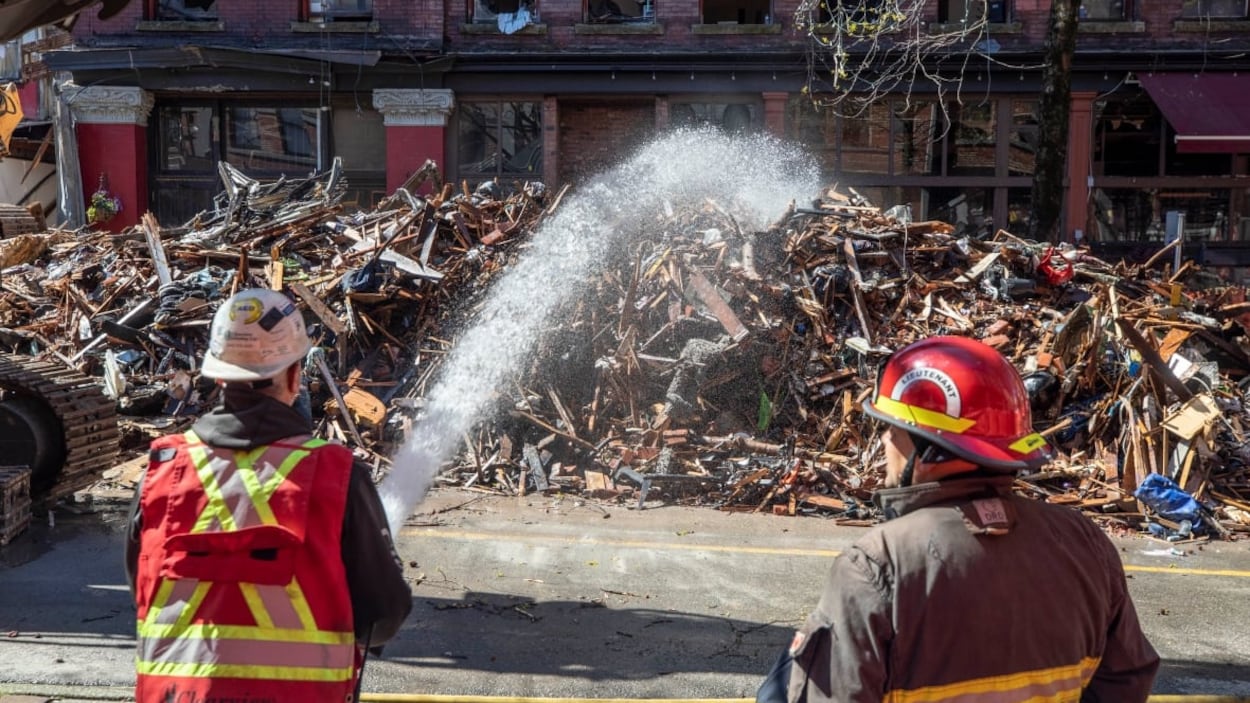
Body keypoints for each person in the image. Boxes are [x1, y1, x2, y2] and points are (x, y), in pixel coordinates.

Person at [780, 336, 1159, 703]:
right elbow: (1126, 679)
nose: (884, 443)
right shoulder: (1084, 543)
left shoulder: (877, 564)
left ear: (929, 446)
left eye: (892, 428)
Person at [125, 288, 412, 703]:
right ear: (295, 375)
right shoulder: (335, 474)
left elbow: (143, 585)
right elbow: (384, 611)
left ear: (219, 376)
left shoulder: (164, 469)